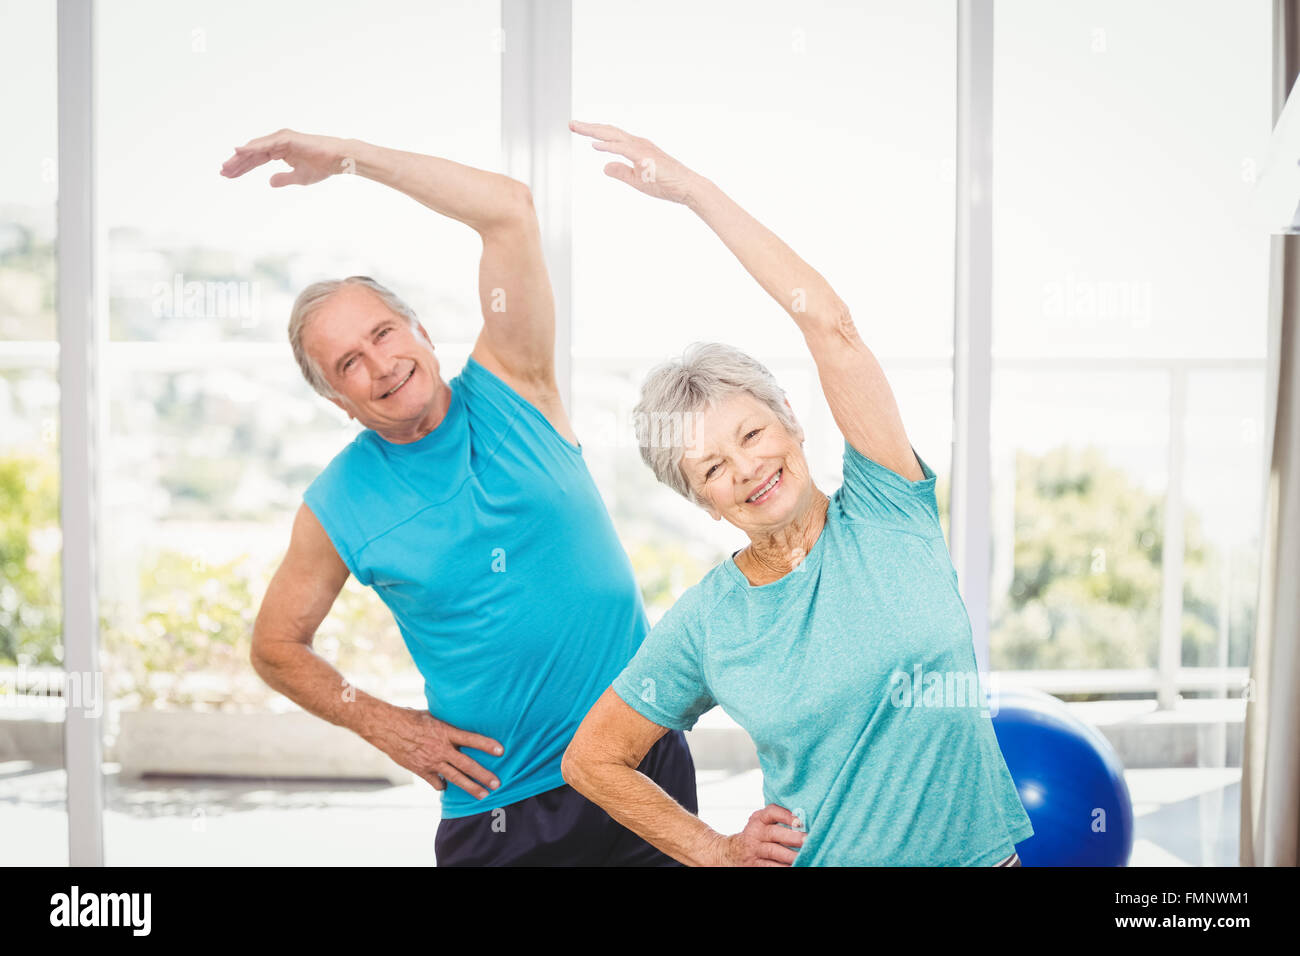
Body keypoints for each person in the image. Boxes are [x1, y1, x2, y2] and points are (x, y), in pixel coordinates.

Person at [561, 121, 1033, 866]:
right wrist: (716, 850)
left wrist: (694, 193)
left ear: (790, 418)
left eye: (751, 434)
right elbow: (591, 760)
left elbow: (830, 324)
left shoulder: (888, 505)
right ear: (703, 501)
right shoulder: (709, 623)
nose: (746, 469)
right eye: (712, 468)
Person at [225, 128, 697, 865]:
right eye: (349, 363)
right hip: (505, 809)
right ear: (337, 401)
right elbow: (276, 648)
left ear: (419, 328)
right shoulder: (337, 503)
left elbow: (508, 211)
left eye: (384, 332)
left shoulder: (516, 380)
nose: (381, 363)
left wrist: (350, 159)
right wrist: (388, 726)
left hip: (639, 763)